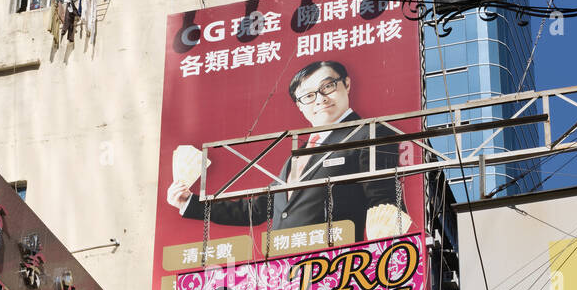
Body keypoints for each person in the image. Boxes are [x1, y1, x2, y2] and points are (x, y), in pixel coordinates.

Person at [166, 59, 405, 242]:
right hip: (286, 270)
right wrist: (190, 202)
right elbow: (258, 209)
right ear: (300, 106)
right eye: (309, 96)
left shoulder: (370, 133)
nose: (320, 99)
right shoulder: (298, 153)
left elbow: (384, 206)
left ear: (346, 84)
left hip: (337, 267)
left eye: (327, 87)